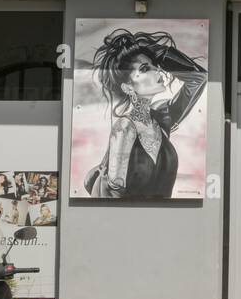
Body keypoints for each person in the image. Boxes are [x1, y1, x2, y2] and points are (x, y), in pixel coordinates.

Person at [84, 29, 207, 198]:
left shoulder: (161, 117)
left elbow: (198, 79)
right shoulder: (124, 127)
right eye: (145, 68)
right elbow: (112, 196)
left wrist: (160, 53)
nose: (157, 70)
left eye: (154, 65)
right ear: (128, 87)